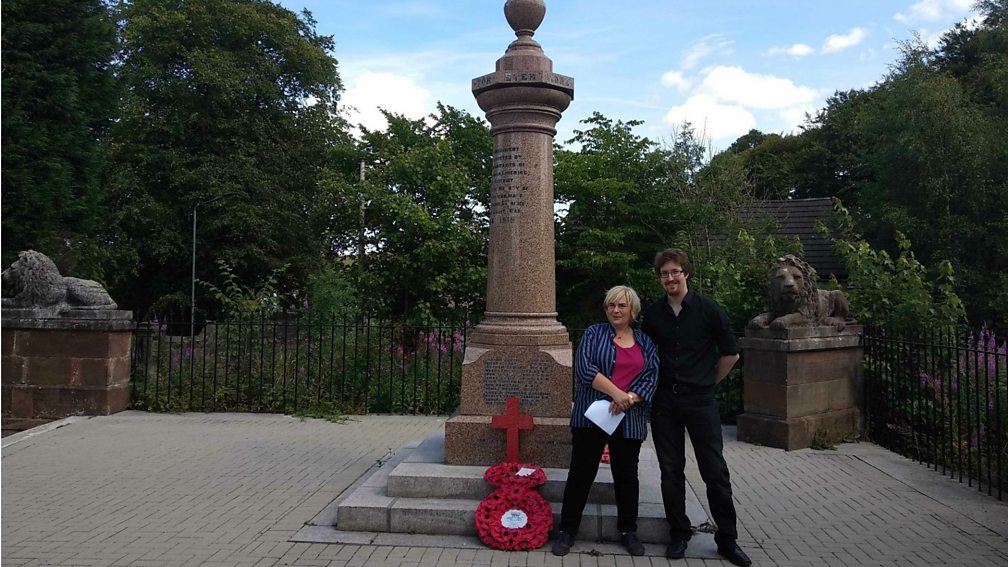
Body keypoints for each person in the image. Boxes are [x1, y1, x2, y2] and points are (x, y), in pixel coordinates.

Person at [641, 248, 752, 567]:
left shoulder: (708, 310)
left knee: (714, 472)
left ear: (686, 273)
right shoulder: (654, 314)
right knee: (670, 470)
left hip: (700, 400)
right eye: (664, 273)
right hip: (664, 401)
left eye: (675, 271)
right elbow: (647, 356)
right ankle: (679, 533)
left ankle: (727, 539)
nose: (670, 278)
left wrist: (707, 381)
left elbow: (731, 353)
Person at [551, 285, 659, 557]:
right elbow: (585, 368)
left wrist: (630, 399)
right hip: (591, 418)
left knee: (626, 476)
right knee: (581, 473)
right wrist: (618, 394)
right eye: (611, 305)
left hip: (629, 419)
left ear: (632, 309)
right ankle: (567, 530)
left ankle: (628, 530)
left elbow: (652, 376)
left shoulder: (645, 342)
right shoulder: (593, 333)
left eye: (621, 305)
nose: (616, 310)